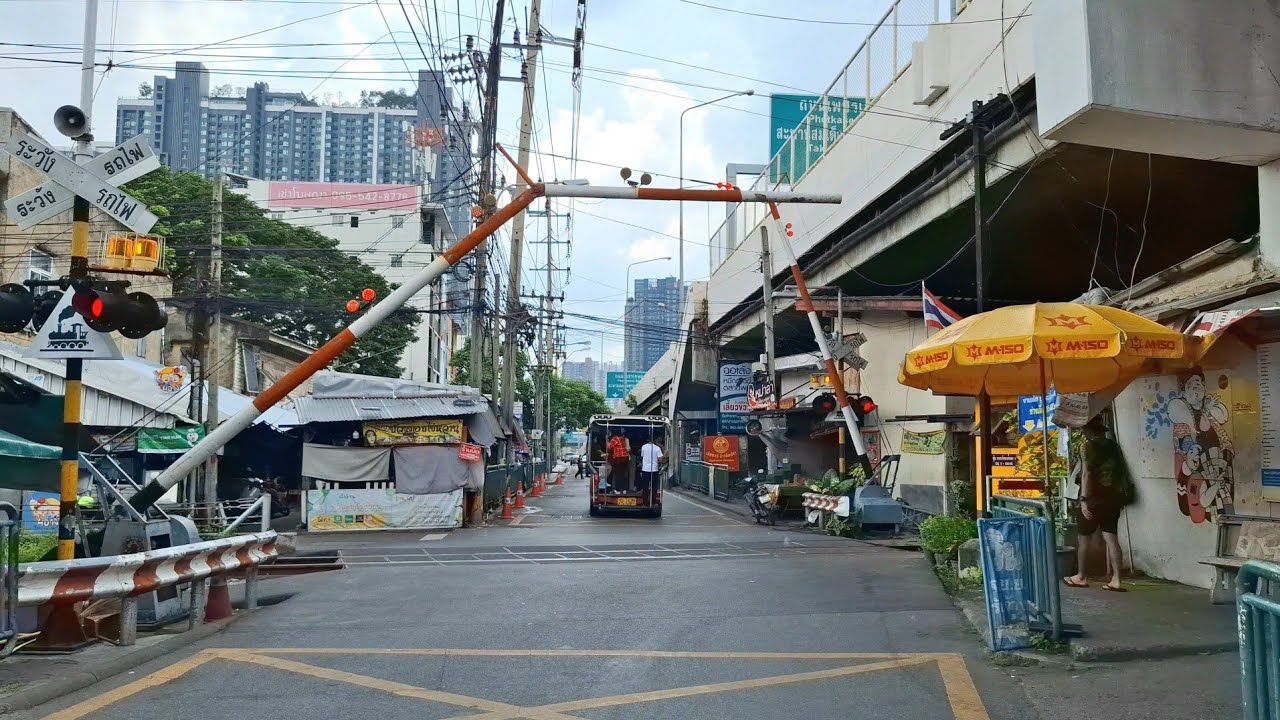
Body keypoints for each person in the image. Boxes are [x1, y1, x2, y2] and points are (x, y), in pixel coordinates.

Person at [1064, 416, 1134, 592]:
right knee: (1111, 538)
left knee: (1084, 538)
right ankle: (1117, 580)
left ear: (1088, 430)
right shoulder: (1113, 446)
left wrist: (1084, 500)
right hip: (1113, 498)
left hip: (1094, 498)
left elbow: (1087, 474)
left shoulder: (1087, 446)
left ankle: (1081, 576)